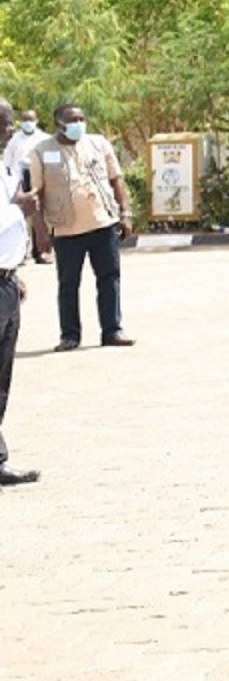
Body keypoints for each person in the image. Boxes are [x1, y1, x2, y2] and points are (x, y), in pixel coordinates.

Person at [26, 103, 134, 351]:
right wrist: (40, 232)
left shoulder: (98, 144)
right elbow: (36, 195)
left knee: (109, 278)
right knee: (68, 284)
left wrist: (125, 213)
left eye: (81, 119)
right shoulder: (41, 151)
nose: (78, 125)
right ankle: (70, 336)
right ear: (59, 124)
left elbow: (116, 180)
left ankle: (112, 331)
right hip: (66, 230)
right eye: (72, 120)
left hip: (103, 223)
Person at [0, 99, 39, 486]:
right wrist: (20, 208)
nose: (10, 130)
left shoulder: (3, 166)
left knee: (2, 377)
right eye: (4, 123)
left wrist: (14, 270)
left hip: (6, 283)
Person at [2, 110, 48, 265]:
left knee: (39, 215)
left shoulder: (44, 138)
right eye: (25, 120)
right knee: (21, 217)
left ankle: (39, 252)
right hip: (19, 180)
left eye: (31, 119)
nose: (28, 123)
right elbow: (8, 161)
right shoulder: (14, 140)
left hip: (39, 179)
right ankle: (23, 254)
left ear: (36, 120)